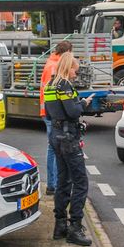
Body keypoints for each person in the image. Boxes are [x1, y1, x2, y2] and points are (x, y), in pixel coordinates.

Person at [43, 55, 92, 246]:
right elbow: (73, 112)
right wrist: (83, 103)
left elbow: (48, 113)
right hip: (68, 138)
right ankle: (75, 228)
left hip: (56, 136)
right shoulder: (65, 86)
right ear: (67, 67)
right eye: (74, 70)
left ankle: (60, 225)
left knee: (63, 181)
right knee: (80, 182)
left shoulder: (50, 85)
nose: (75, 74)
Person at [40, 40, 73, 195]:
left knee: (53, 148)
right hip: (52, 115)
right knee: (55, 149)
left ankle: (53, 184)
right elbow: (52, 94)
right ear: (67, 53)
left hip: (49, 113)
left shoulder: (51, 63)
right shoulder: (54, 67)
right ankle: (54, 184)